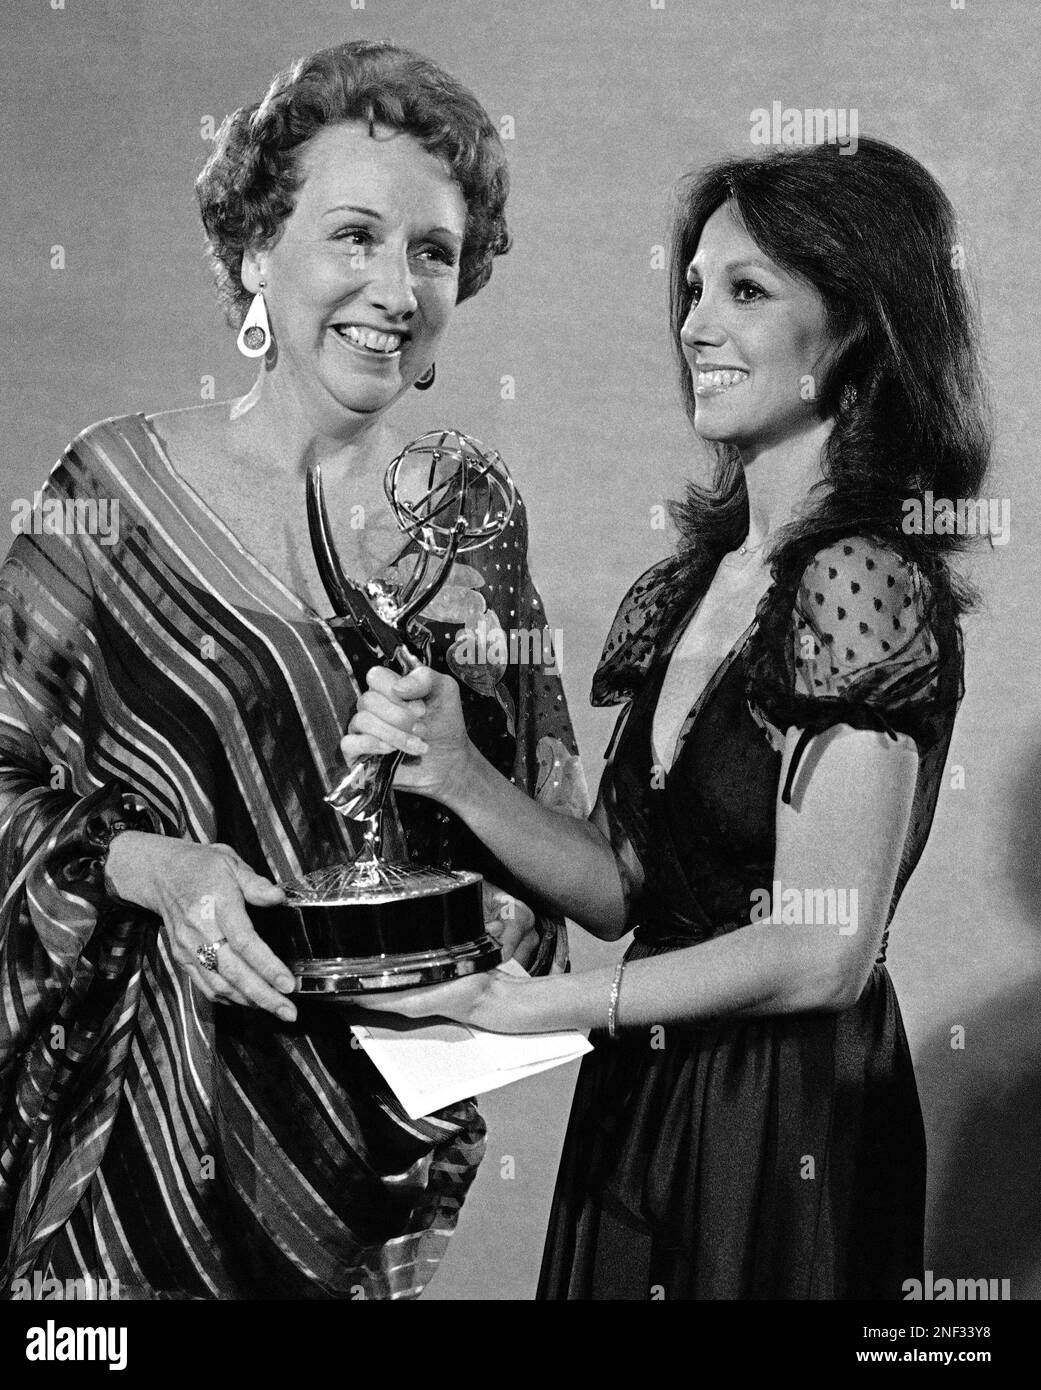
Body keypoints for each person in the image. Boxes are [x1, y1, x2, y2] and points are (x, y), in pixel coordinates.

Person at [0, 40, 584, 1300]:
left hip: (359, 1164)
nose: (396, 286)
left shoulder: (469, 527)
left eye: (432, 250)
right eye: (353, 235)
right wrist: (165, 870)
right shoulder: (116, 489)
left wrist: (474, 883)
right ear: (258, 250)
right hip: (131, 1140)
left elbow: (555, 854)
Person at [340, 136, 992, 1299]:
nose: (695, 323)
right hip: (646, 1096)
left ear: (852, 331)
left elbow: (820, 949)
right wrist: (453, 770)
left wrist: (543, 1005)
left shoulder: (863, 581)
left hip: (786, 1117)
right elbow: (623, 887)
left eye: (746, 291)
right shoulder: (689, 586)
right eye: (693, 288)